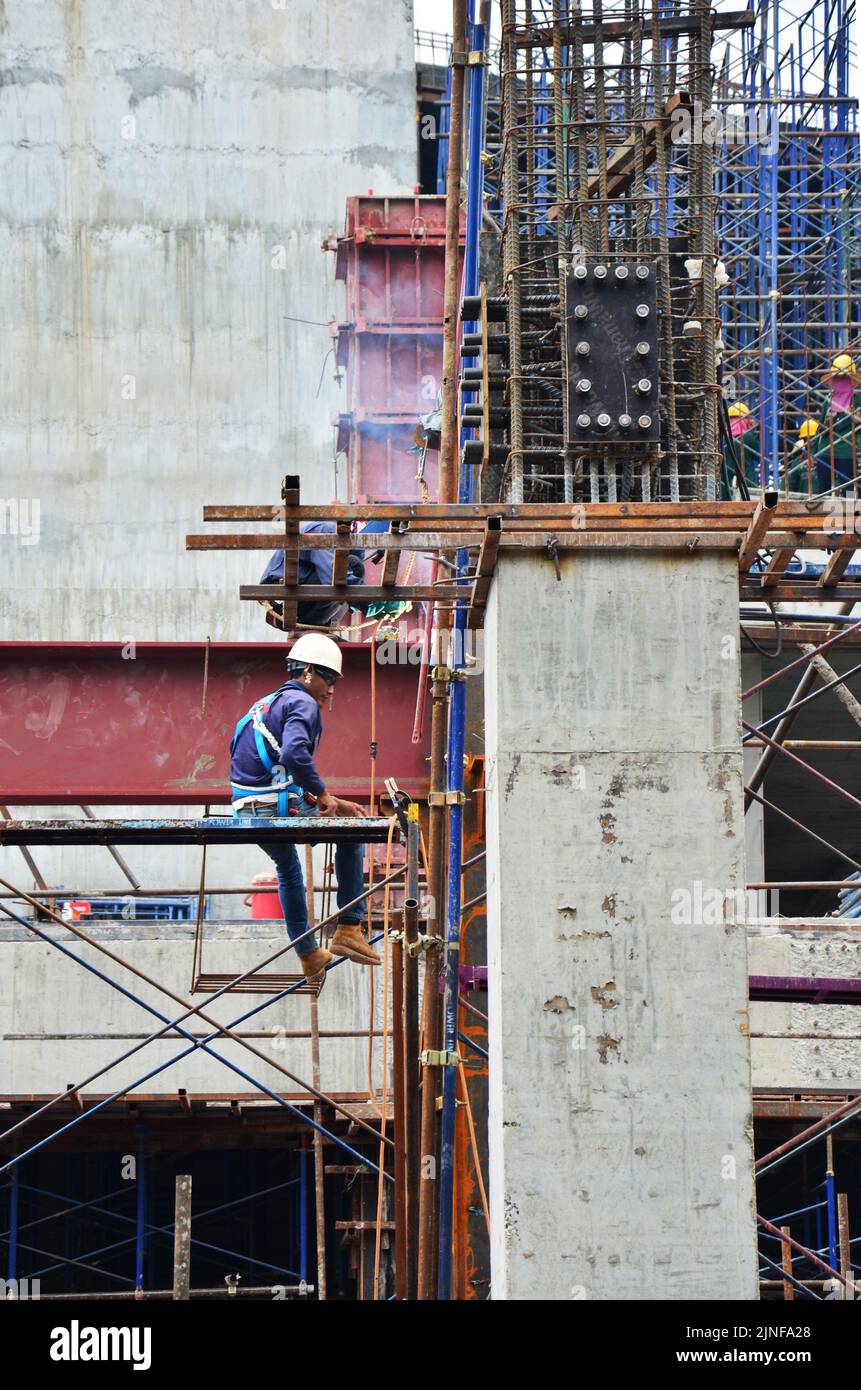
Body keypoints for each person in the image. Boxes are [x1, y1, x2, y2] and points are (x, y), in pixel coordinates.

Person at [229, 632, 380, 979]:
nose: (331, 690)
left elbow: (277, 770)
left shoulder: (267, 704)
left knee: (289, 869)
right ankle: (349, 927)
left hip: (249, 809)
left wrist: (334, 801)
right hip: (274, 806)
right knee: (353, 834)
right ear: (309, 672)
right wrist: (325, 797)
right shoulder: (303, 703)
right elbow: (294, 754)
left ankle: (308, 953)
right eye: (328, 678)